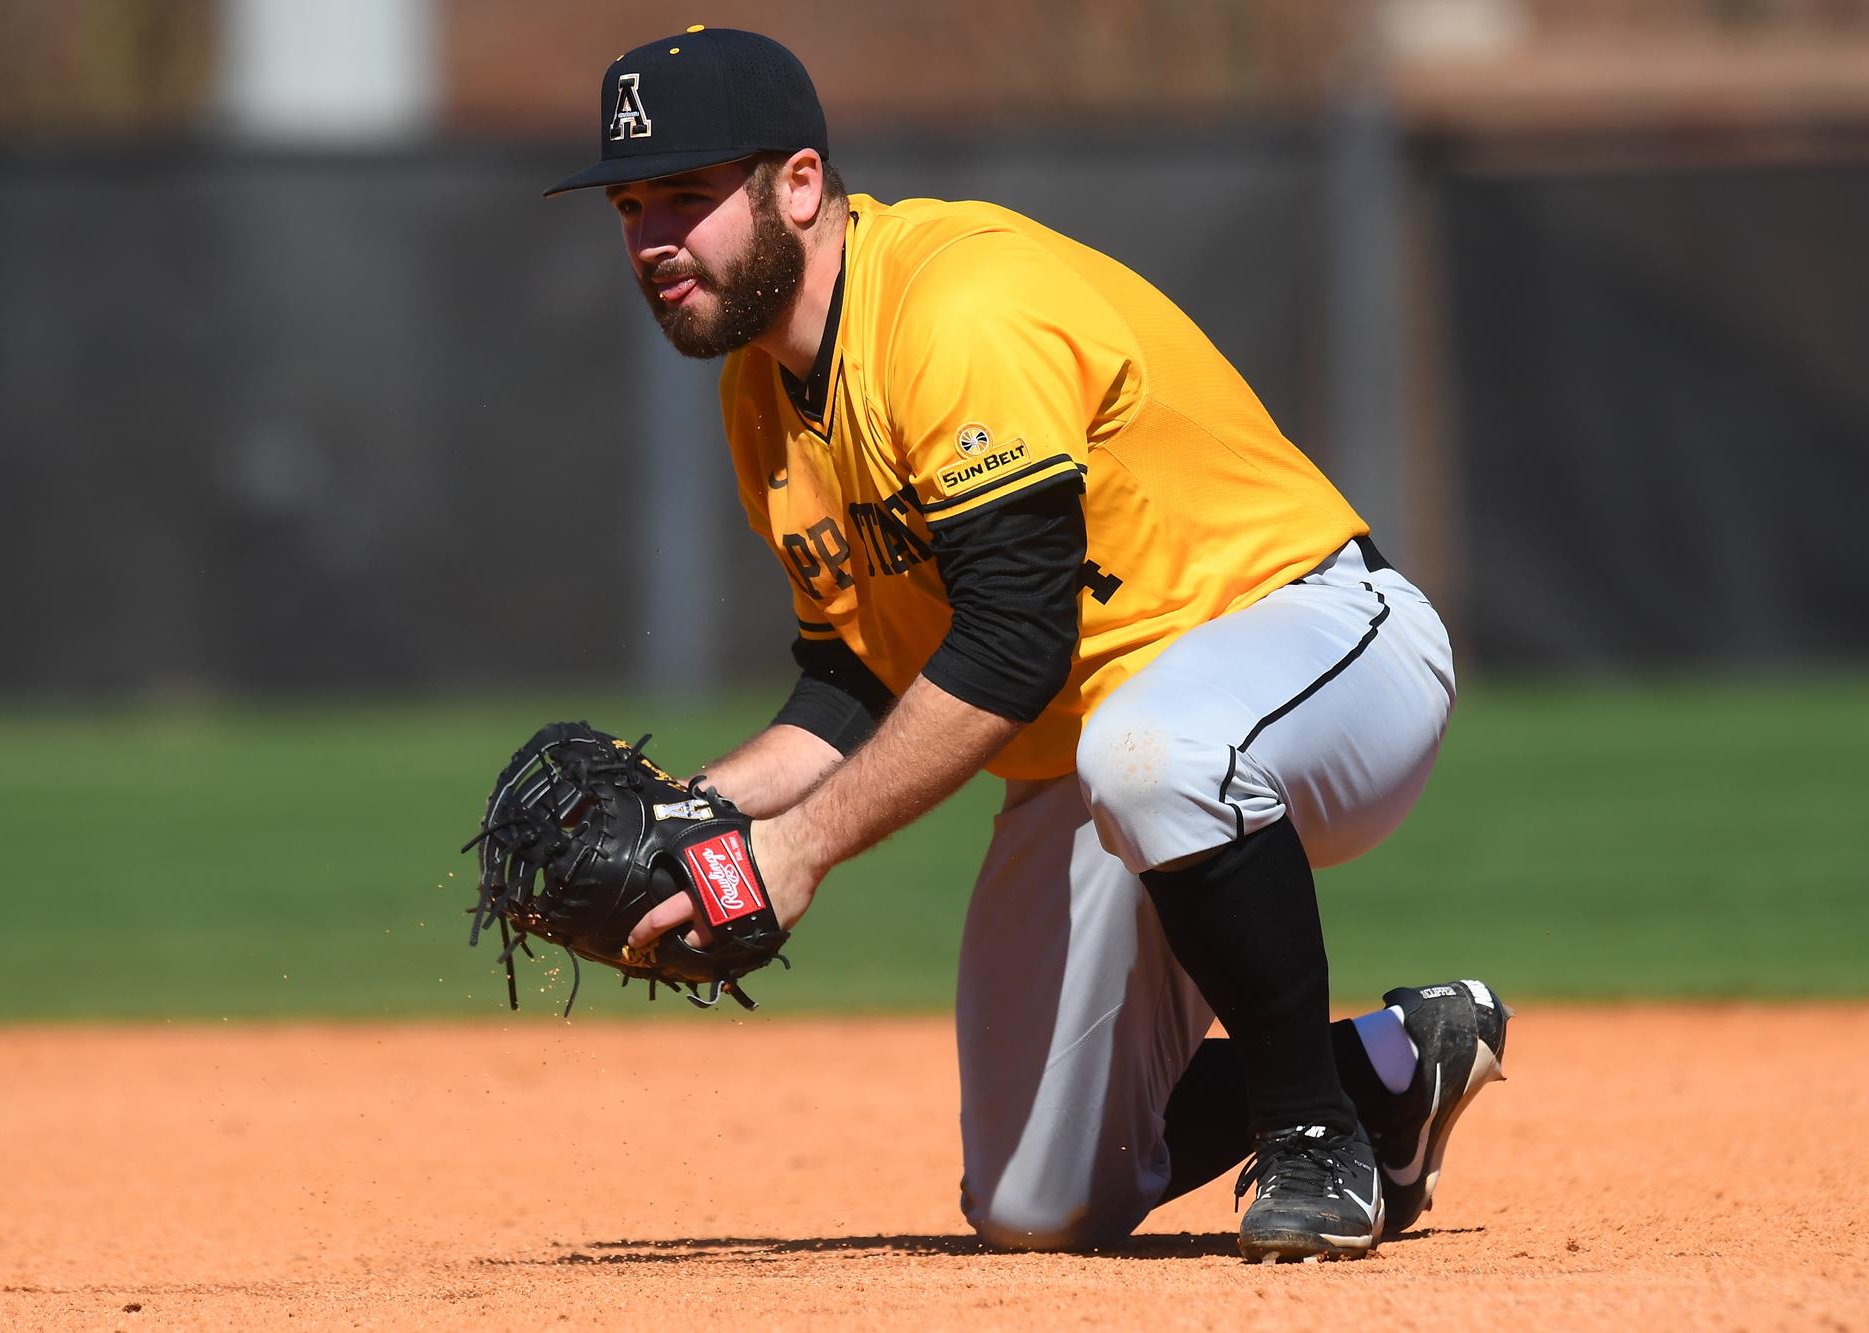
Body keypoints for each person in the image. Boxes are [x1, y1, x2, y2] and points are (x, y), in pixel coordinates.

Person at [545, 27, 1507, 1262]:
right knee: (1036, 1203)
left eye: (686, 193)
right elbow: (854, 677)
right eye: (628, 203)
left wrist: (793, 853)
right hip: (1109, 749)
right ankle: (1387, 1068)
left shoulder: (956, 307)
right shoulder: (760, 393)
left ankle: (1310, 1138)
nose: (651, 235)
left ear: (797, 186)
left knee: (1154, 748)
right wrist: (694, 819)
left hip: (1313, 643)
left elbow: (1011, 644)